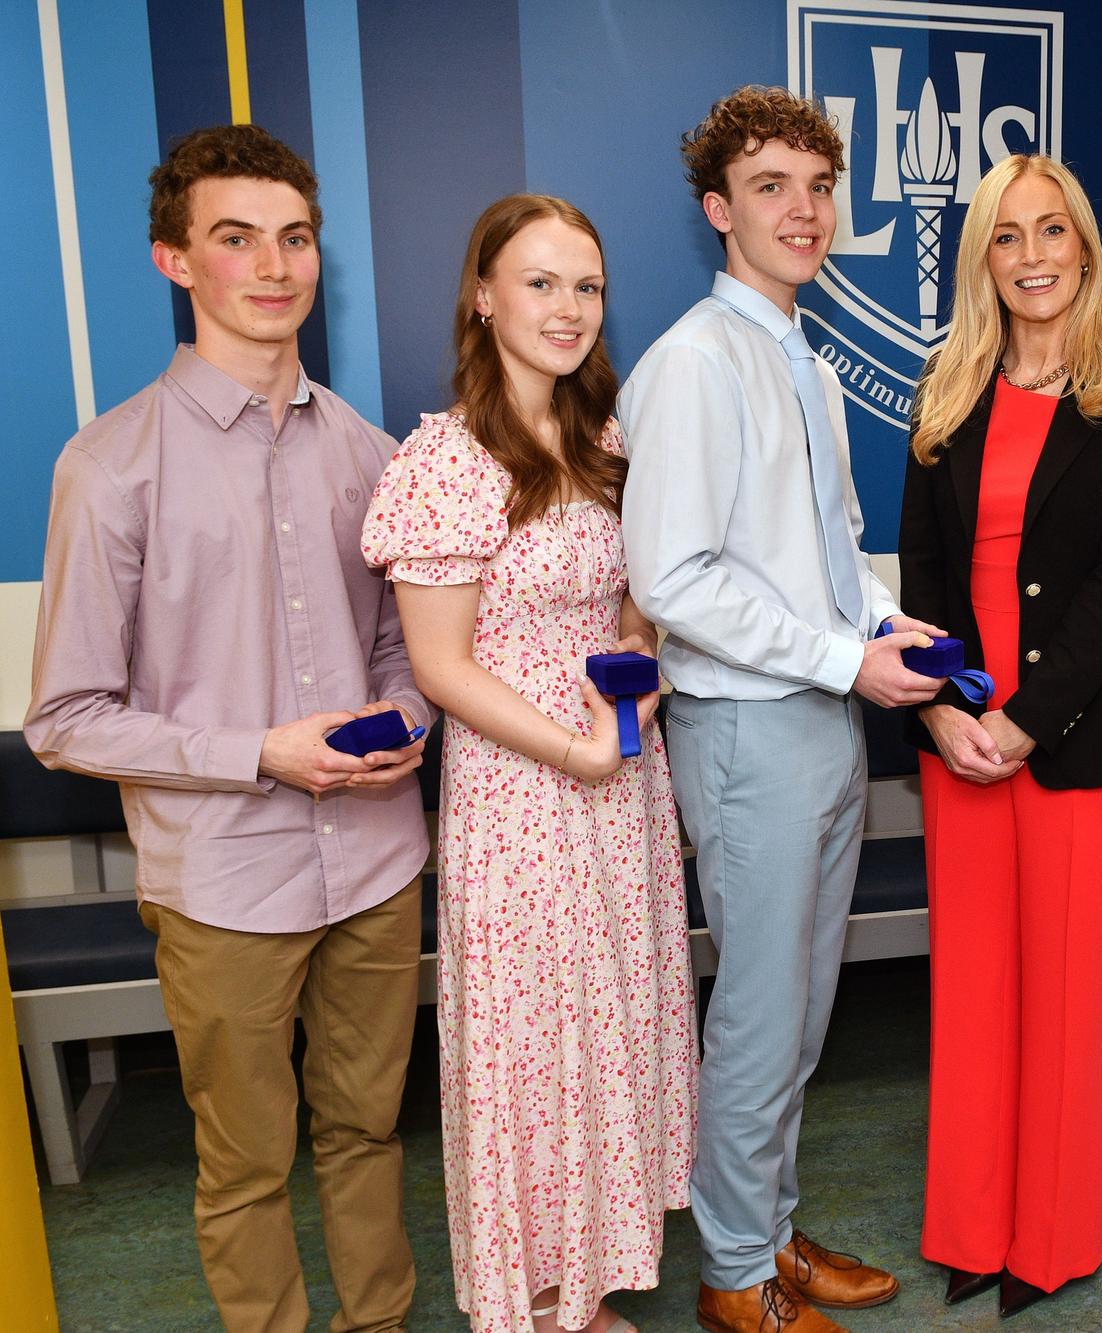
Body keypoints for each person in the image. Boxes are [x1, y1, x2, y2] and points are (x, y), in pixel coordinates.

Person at [23, 124, 431, 1332]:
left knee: (367, 1131)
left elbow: (404, 647)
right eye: (235, 238)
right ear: (173, 259)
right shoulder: (109, 468)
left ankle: (381, 1318)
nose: (272, 266)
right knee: (244, 1164)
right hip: (222, 884)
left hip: (374, 862)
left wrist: (402, 717)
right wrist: (258, 752)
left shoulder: (373, 453)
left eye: (294, 238)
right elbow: (64, 717)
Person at [619, 85, 940, 1333]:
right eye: (769, 188)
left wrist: (878, 622)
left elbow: (822, 543)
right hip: (750, 731)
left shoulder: (791, 350)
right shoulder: (697, 363)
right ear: (718, 210)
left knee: (801, 1012)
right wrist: (840, 656)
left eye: (817, 187)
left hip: (816, 714)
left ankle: (765, 1232)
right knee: (756, 1021)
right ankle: (733, 1277)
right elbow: (675, 581)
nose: (802, 211)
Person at [361, 194, 697, 1333]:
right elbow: (441, 667)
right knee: (534, 1038)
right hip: (521, 791)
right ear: (482, 294)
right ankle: (540, 1295)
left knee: (609, 1018)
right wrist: (573, 749)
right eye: (541, 282)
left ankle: (593, 1272)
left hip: (617, 771)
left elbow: (635, 603)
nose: (568, 308)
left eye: (587, 286)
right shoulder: (446, 459)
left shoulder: (605, 440)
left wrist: (635, 680)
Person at [898, 152, 1102, 1318]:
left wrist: (1020, 719)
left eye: (1051, 231)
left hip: (1076, 737)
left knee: (1065, 999)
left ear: (1085, 247)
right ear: (981, 258)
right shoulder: (945, 388)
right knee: (969, 993)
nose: (1030, 256)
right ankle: (969, 1228)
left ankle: (1050, 1240)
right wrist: (940, 709)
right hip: (958, 736)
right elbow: (921, 579)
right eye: (1006, 236)